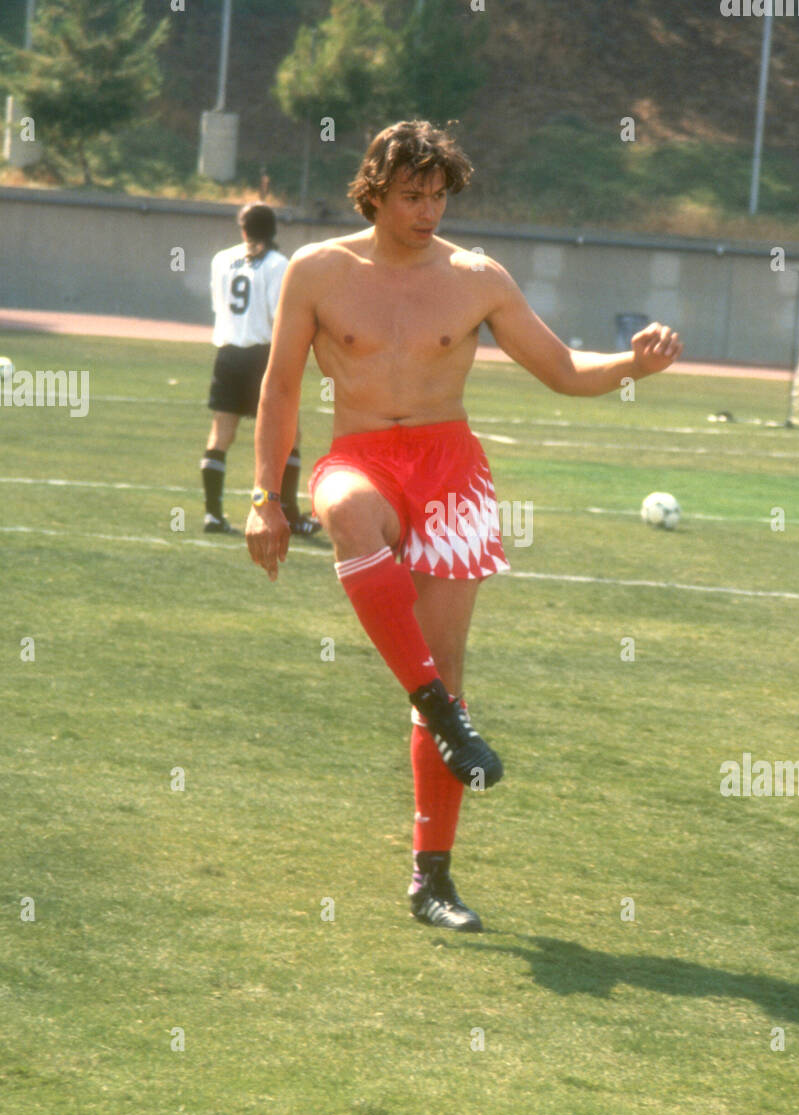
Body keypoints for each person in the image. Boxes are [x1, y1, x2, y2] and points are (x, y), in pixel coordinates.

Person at [245, 120, 682, 931]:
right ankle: (444, 716)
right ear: (373, 190)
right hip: (361, 456)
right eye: (411, 194)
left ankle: (431, 881)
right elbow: (277, 392)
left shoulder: (477, 276)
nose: (428, 210)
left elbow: (560, 370)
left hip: (450, 469)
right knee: (344, 513)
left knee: (447, 671)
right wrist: (265, 496)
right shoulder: (316, 270)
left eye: (439, 194)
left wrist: (631, 364)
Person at [201, 202, 322, 538]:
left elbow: (218, 304)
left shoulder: (222, 259)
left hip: (227, 354)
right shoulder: (279, 264)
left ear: (243, 230)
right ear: (274, 231)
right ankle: (290, 514)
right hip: (262, 357)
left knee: (220, 436)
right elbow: (277, 314)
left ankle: (213, 514)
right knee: (288, 434)